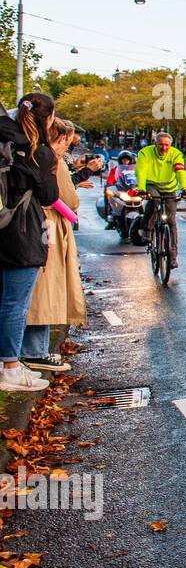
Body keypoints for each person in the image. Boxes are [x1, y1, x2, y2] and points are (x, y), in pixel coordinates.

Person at [0, 94, 61, 392]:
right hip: (22, 233)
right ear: (47, 119)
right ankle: (10, 367)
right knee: (15, 304)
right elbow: (49, 196)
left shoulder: (3, 137)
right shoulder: (39, 152)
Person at [23, 116, 85, 374]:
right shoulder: (51, 160)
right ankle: (33, 351)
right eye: (68, 143)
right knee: (44, 291)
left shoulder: (31, 153)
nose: (68, 148)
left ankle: (30, 350)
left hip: (33, 225)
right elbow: (68, 199)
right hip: (47, 227)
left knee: (34, 291)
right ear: (60, 138)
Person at [136, 131, 186, 269]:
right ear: (155, 144)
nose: (164, 148)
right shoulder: (145, 153)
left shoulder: (176, 154)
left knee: (171, 221)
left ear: (170, 146)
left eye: (166, 145)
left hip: (169, 187)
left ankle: (173, 257)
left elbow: (180, 170)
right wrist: (141, 189)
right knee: (153, 201)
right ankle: (147, 229)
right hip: (151, 184)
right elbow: (141, 171)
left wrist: (185, 189)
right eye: (160, 144)